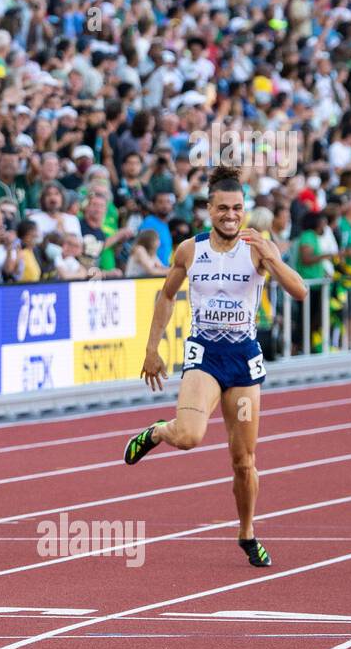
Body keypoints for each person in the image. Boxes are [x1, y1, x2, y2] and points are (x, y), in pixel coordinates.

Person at [123, 169, 307, 567]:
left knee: (244, 461)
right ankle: (159, 431)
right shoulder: (190, 250)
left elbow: (300, 290)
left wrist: (272, 256)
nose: (230, 215)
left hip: (242, 361)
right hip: (204, 355)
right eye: (223, 208)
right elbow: (166, 296)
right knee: (188, 436)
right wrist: (152, 349)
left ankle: (247, 531)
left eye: (237, 208)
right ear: (209, 210)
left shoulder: (258, 248)